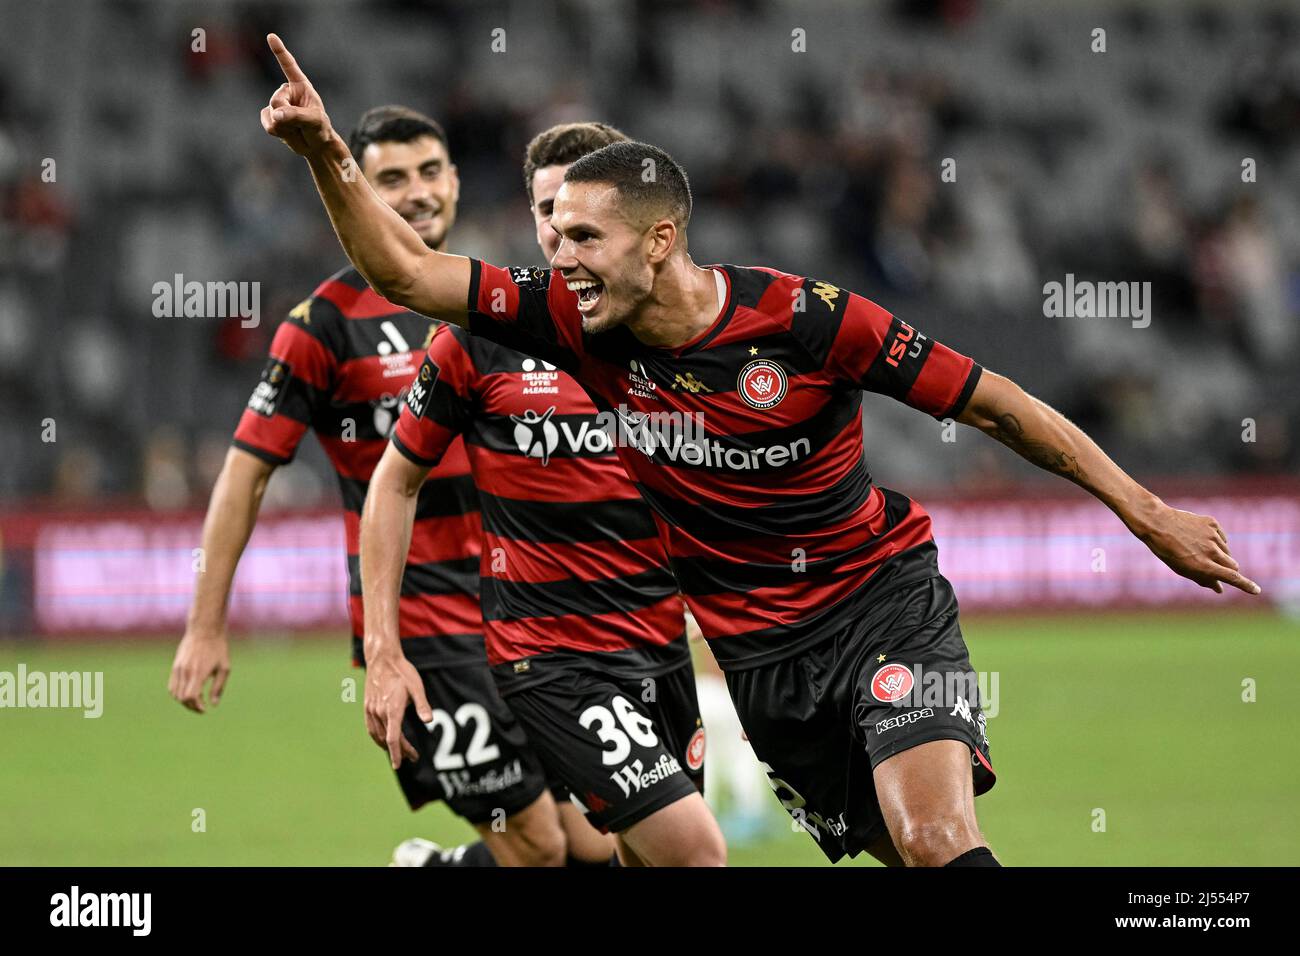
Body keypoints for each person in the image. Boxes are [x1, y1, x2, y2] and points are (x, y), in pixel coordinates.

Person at [259, 35, 1259, 866]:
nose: (557, 261)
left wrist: (1143, 509)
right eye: (550, 237)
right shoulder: (571, 320)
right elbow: (407, 270)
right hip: (760, 660)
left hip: (880, 598)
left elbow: (998, 406)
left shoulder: (807, 321)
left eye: (581, 239)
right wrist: (320, 154)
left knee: (938, 839)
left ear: (656, 243)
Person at [171, 104, 612, 868]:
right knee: (537, 849)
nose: (417, 192)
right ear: (358, 194)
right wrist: (207, 623)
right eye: (391, 179)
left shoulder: (500, 301)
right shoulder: (323, 325)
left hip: (531, 611)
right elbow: (244, 475)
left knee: (595, 845)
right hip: (426, 627)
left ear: (456, 181)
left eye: (430, 171)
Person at [362, 120, 725, 867]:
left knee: (618, 856)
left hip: (658, 645)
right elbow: (394, 481)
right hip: (552, 653)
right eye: (545, 213)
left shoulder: (675, 336)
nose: (563, 234)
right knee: (693, 854)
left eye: (579, 213)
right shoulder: (478, 340)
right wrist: (382, 646)